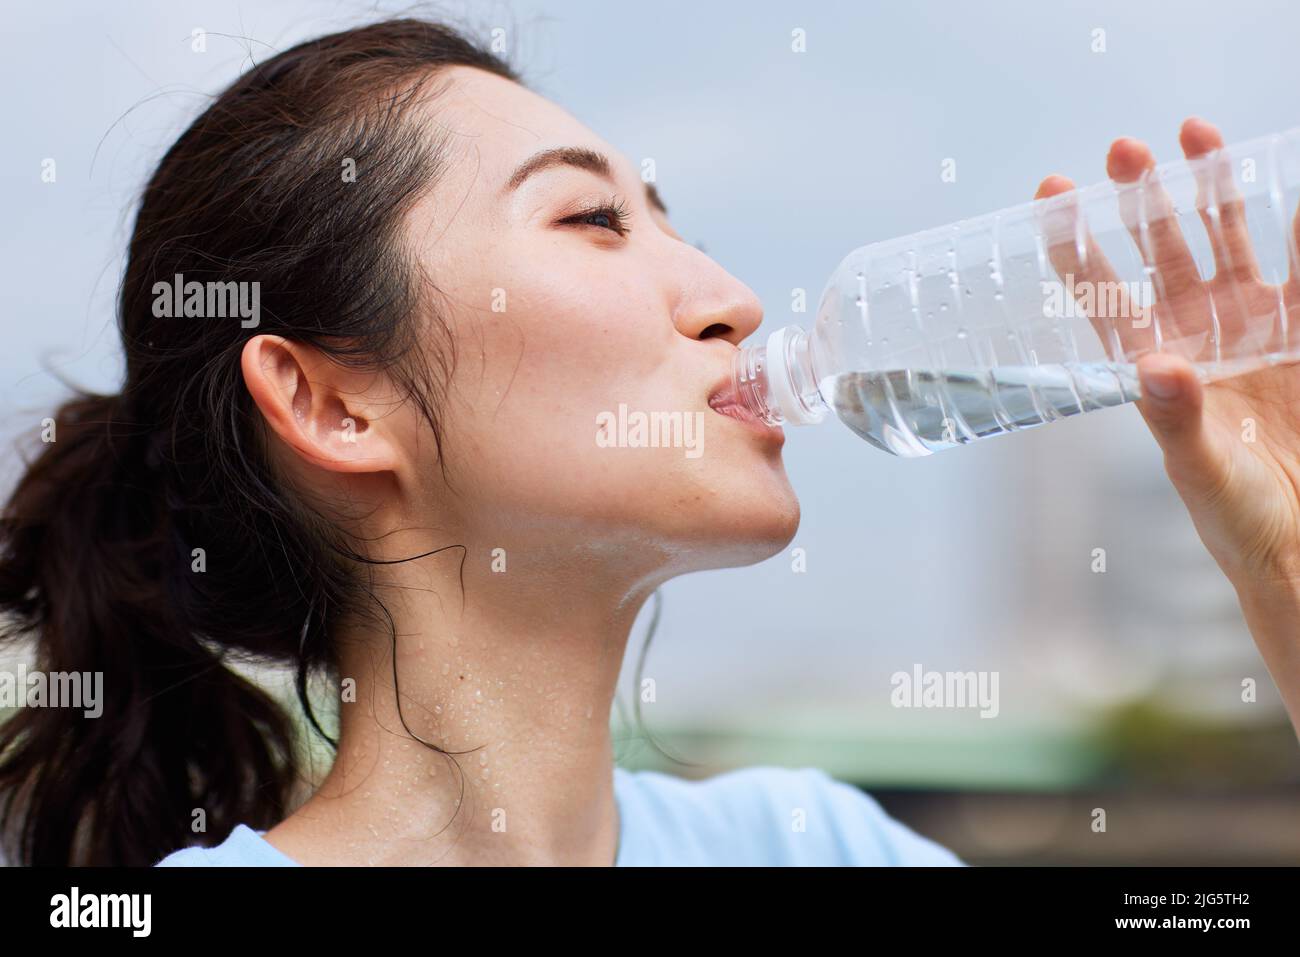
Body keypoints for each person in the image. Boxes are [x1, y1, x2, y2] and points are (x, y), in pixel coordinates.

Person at [0, 17, 1295, 867]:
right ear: (336, 404)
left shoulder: (812, 848)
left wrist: (1281, 559)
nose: (729, 294)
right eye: (592, 221)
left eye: (676, 220)